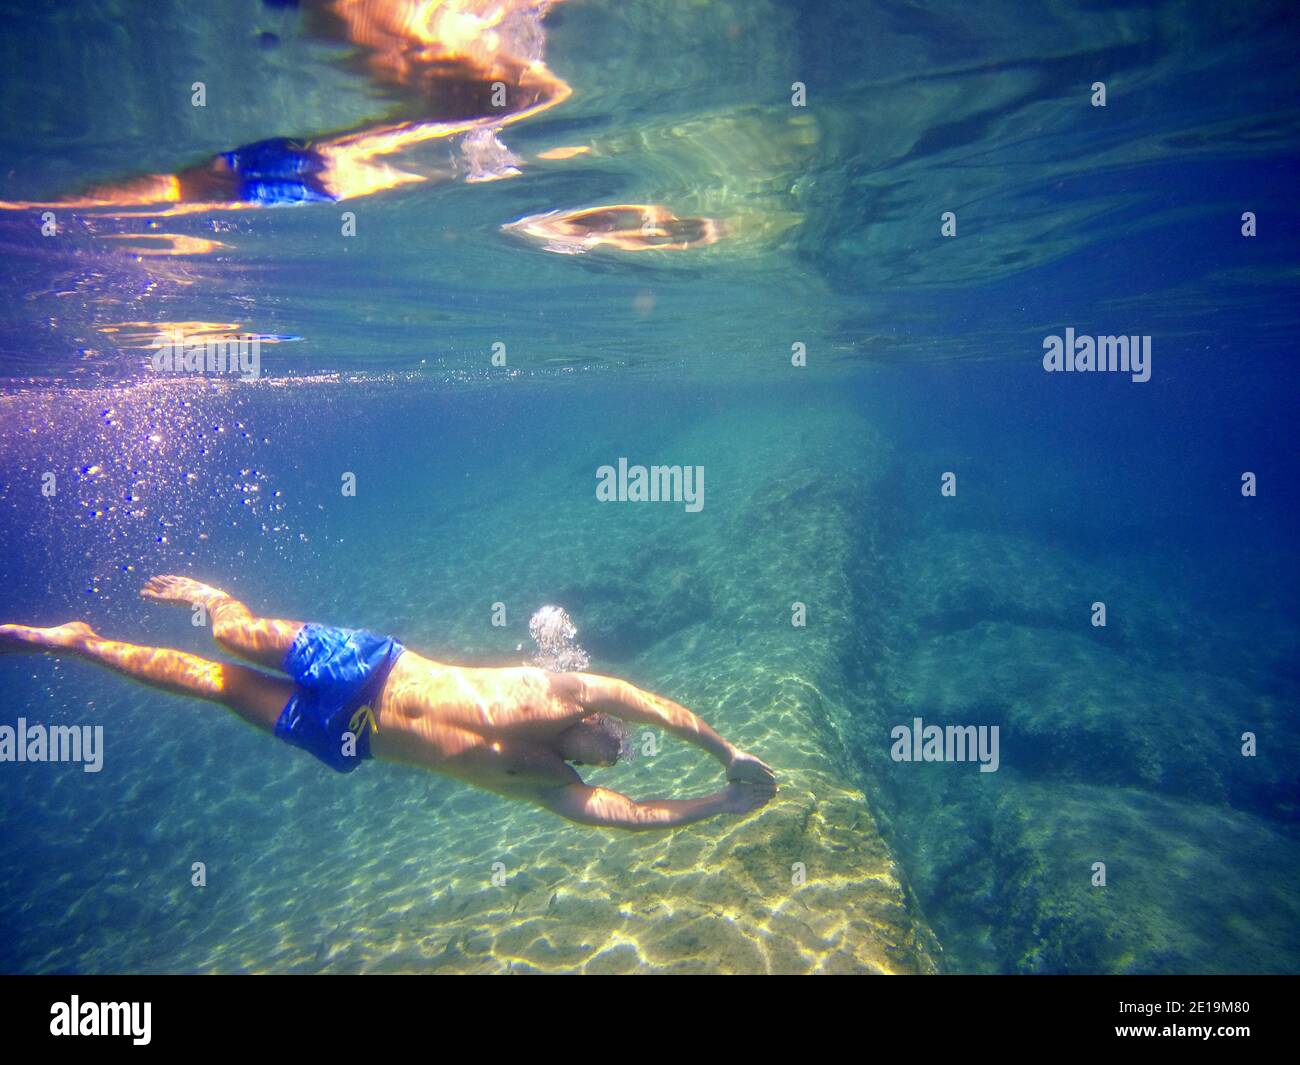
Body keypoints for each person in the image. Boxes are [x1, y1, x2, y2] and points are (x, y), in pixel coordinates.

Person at [0, 576, 777, 829]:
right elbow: (652, 703)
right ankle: (216, 597)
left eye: (618, 757)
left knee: (212, 685)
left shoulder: (550, 784)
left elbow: (631, 816)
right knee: (234, 634)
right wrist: (726, 751)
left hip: (347, 738)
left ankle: (79, 642)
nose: (620, 749)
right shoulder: (562, 689)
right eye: (619, 740)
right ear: (599, 723)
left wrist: (717, 801)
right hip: (366, 664)